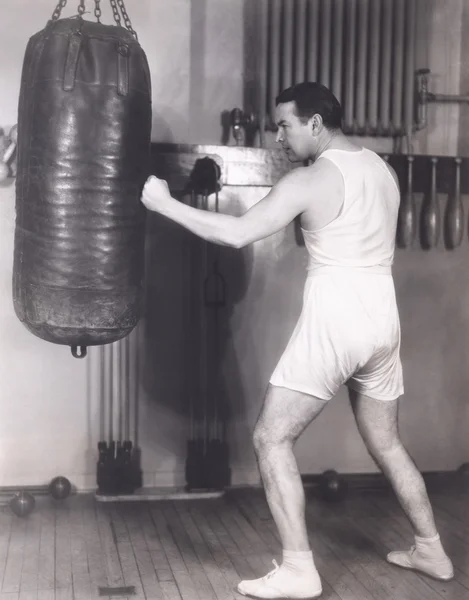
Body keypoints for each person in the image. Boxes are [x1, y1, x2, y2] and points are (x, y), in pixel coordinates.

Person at [141, 82, 454, 599]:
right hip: (382, 319)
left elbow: (237, 234)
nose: (278, 136)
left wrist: (164, 204)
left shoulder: (309, 180)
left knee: (271, 437)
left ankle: (298, 568)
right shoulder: (384, 170)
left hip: (338, 320)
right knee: (387, 442)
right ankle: (432, 549)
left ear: (315, 123)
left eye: (285, 125)